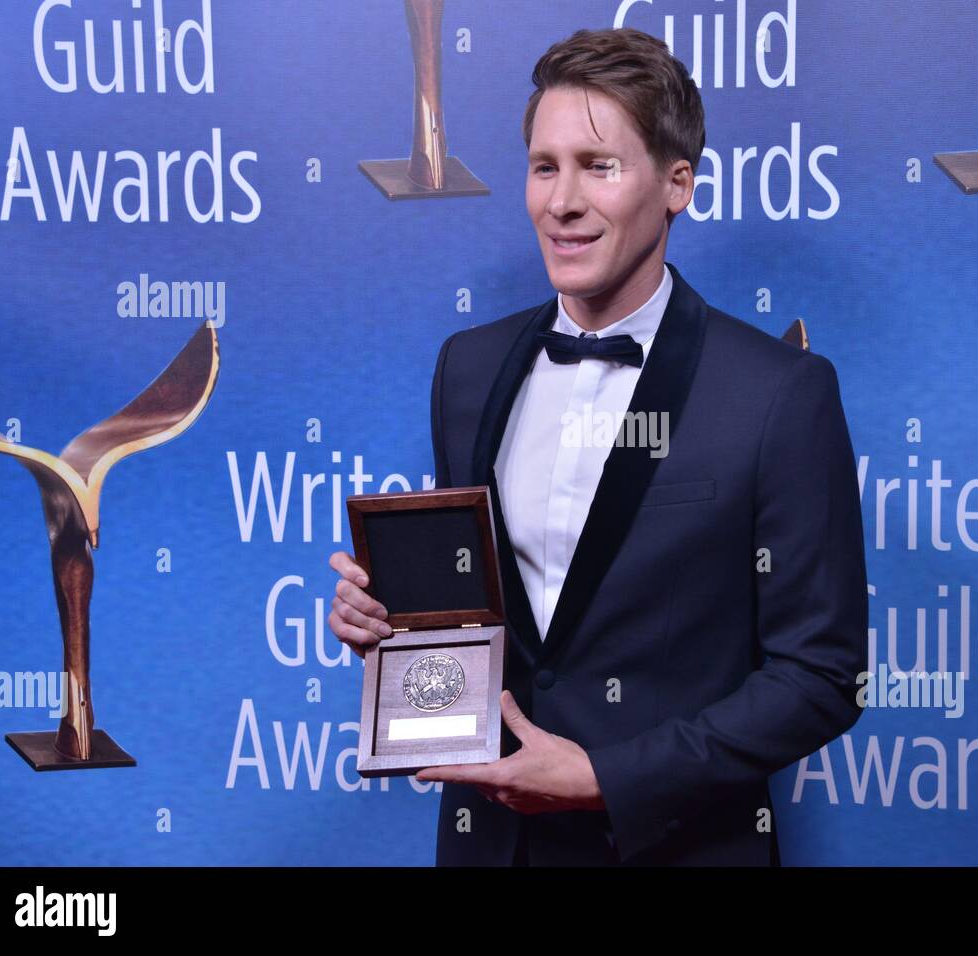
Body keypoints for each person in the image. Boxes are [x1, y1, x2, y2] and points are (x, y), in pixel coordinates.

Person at [328, 26, 867, 866]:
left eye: (599, 166)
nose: (561, 201)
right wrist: (395, 627)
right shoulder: (468, 368)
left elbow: (820, 678)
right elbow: (481, 619)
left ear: (678, 183)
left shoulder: (777, 394)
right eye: (545, 167)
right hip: (492, 848)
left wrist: (607, 777)